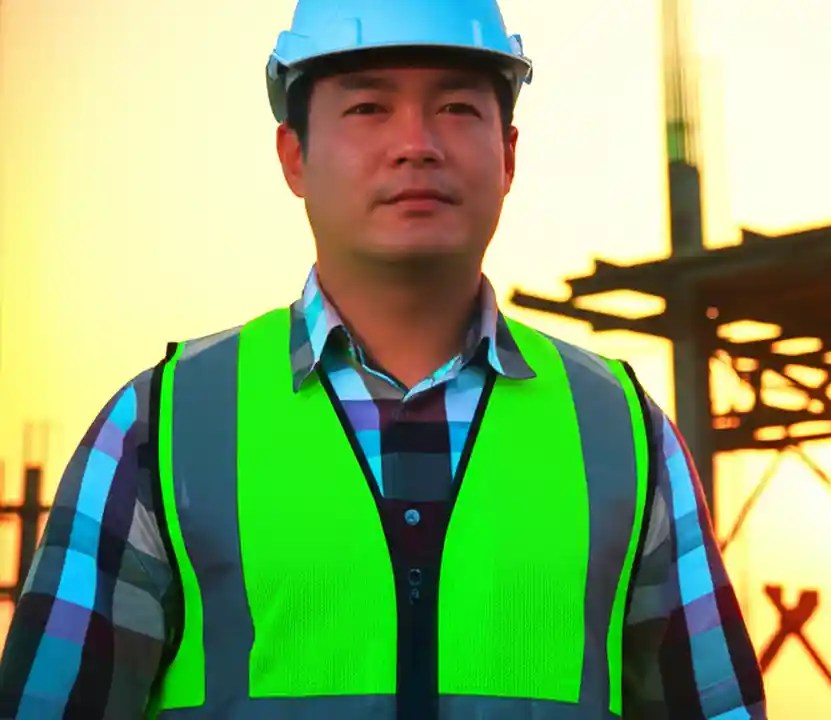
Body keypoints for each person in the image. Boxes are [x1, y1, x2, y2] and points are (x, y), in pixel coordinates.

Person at [0, 1, 766, 718]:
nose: (416, 143)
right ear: (294, 156)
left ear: (507, 155)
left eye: (457, 107)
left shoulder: (620, 431)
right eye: (368, 108)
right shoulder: (163, 428)